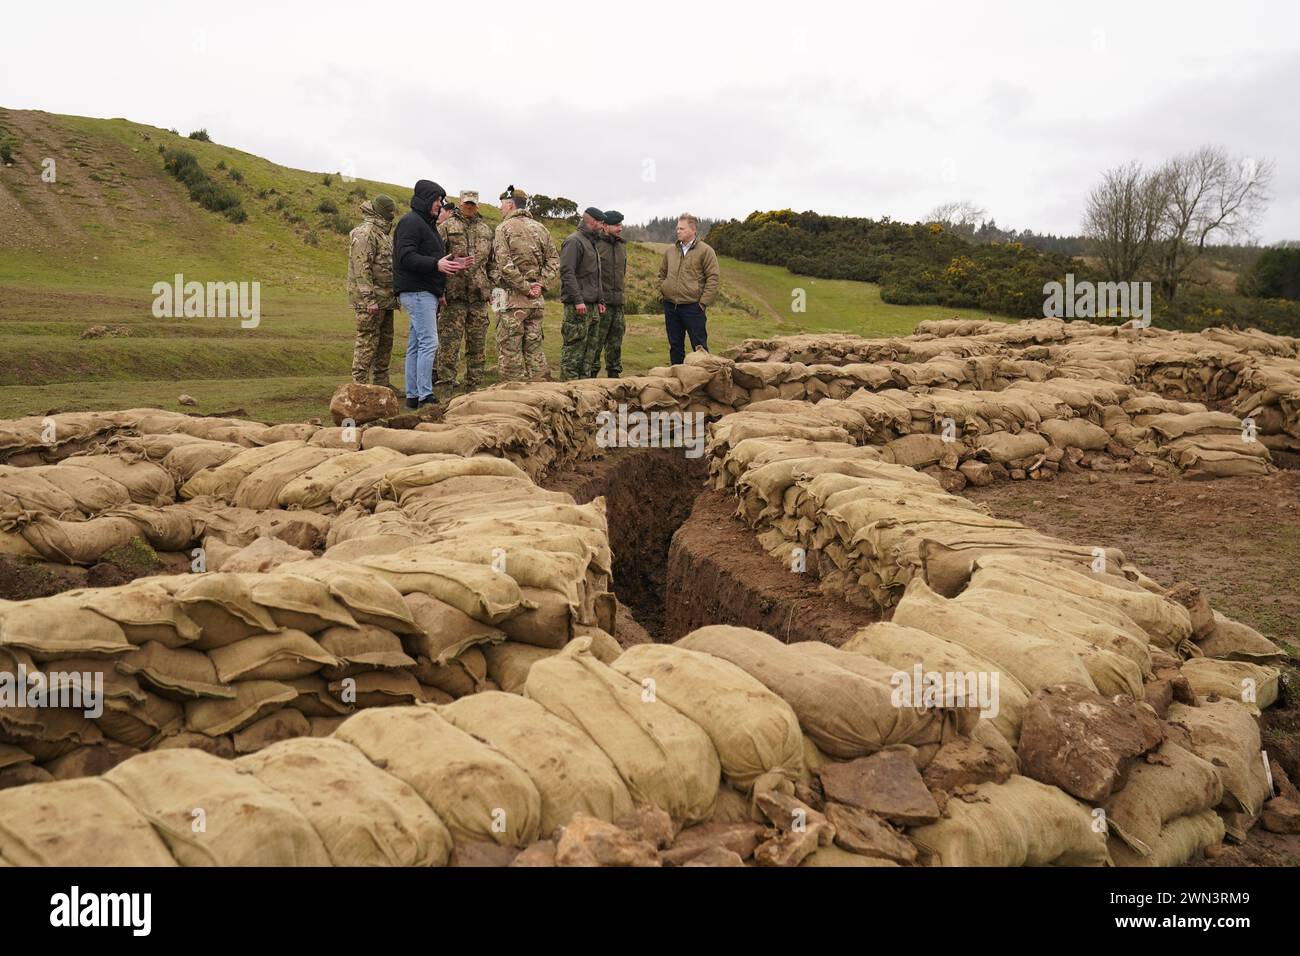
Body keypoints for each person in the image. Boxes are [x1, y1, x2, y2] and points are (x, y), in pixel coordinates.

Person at [392, 180, 468, 408]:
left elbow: (428, 257)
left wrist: (452, 263)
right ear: (426, 199)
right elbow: (405, 256)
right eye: (436, 200)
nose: (439, 204)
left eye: (441, 200)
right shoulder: (410, 223)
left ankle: (413, 396)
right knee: (429, 342)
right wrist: (436, 264)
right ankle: (426, 395)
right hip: (417, 291)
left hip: (425, 292)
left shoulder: (425, 224)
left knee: (416, 345)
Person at [491, 185, 559, 382]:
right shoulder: (541, 228)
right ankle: (541, 395)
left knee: (510, 349)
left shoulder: (503, 228)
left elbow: (504, 265)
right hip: (536, 302)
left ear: (510, 204)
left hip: (511, 300)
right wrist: (540, 285)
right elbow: (554, 260)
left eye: (502, 205)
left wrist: (525, 287)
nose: (500, 209)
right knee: (535, 349)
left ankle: (514, 399)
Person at [436, 190, 495, 397]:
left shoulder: (487, 230)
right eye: (467, 203)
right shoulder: (446, 227)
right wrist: (439, 290)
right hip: (453, 296)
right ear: (460, 203)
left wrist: (491, 286)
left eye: (473, 204)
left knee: (477, 345)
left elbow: (492, 264)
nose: (470, 207)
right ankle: (446, 388)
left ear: (478, 205)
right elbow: (437, 259)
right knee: (449, 345)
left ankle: (474, 387)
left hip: (478, 296)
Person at [346, 194, 398, 390]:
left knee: (385, 342)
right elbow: (362, 267)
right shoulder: (365, 233)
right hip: (370, 301)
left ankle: (382, 384)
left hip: (386, 299)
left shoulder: (383, 233)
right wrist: (369, 299)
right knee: (367, 341)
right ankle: (358, 386)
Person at [658, 212, 720, 365]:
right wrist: (662, 293)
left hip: (693, 307)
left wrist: (702, 303)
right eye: (677, 228)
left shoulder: (706, 251)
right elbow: (661, 274)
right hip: (671, 306)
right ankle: (677, 380)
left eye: (682, 228)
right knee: (675, 346)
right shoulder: (670, 251)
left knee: (699, 347)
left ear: (693, 230)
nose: (678, 231)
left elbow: (713, 278)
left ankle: (704, 380)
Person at [558, 206, 605, 380]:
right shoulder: (574, 241)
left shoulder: (592, 242)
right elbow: (567, 272)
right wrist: (578, 300)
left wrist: (600, 300)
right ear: (591, 221)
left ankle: (584, 393)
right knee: (573, 352)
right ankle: (567, 392)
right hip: (577, 307)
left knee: (588, 354)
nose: (602, 226)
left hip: (592, 307)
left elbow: (594, 274)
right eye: (600, 222)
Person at [584, 209, 627, 378]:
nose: (620, 228)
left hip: (618, 304)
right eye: (616, 225)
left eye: (620, 224)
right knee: (596, 342)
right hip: (601, 304)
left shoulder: (622, 246)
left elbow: (623, 271)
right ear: (605, 226)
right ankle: (591, 377)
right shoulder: (595, 244)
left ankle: (614, 377)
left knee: (616, 343)